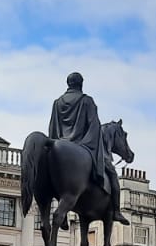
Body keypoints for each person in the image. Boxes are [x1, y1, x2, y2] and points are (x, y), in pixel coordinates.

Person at [48, 72, 128, 225]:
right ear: (81, 83)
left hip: (59, 147)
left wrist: (52, 148)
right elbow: (94, 127)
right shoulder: (87, 101)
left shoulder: (57, 103)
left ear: (68, 84)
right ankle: (116, 211)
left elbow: (53, 127)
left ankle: (63, 213)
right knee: (112, 174)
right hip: (82, 146)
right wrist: (91, 148)